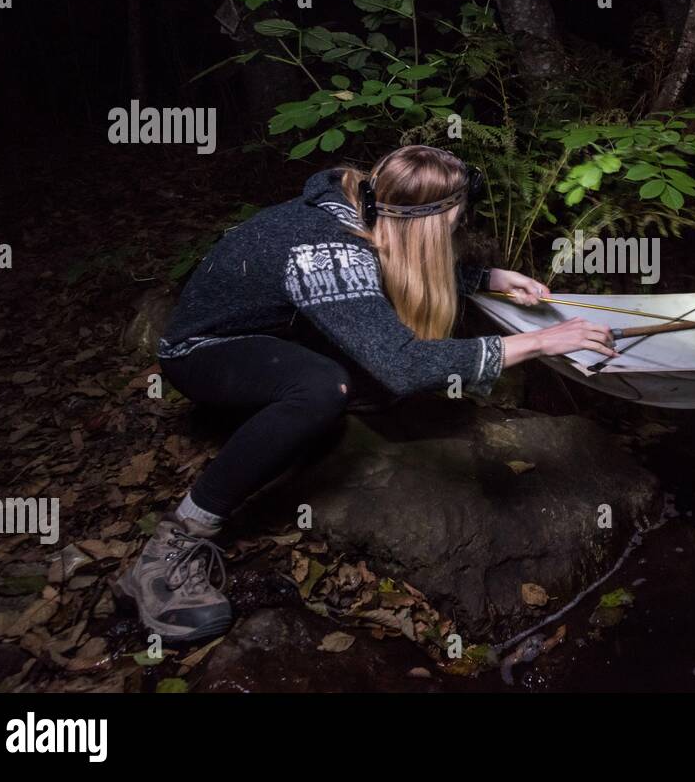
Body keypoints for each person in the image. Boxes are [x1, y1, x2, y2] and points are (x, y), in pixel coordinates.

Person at [117, 144, 618, 643]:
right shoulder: (324, 251)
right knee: (321, 390)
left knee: (365, 376)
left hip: (278, 331)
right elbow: (401, 363)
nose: (455, 234)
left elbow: (385, 261)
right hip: (203, 351)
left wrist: (483, 278)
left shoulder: (363, 200)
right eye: (452, 225)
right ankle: (174, 543)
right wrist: (540, 340)